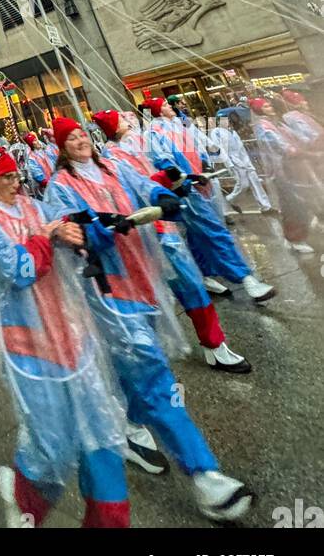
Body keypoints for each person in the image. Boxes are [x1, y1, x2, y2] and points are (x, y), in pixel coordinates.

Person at [44, 117, 254, 522]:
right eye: (70, 139)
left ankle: (128, 423)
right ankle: (205, 475)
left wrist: (163, 193)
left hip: (144, 285)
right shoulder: (60, 187)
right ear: (61, 148)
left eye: (82, 135)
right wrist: (102, 229)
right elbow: (72, 236)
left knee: (135, 371)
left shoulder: (113, 167)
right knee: (157, 380)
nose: (80, 142)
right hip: (110, 296)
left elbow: (144, 185)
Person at [0, 137, 130, 528]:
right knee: (51, 447)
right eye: (5, 177)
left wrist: (84, 229)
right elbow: (19, 271)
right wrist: (47, 237)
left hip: (74, 341)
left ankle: (110, 520)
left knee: (102, 435)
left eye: (15, 174)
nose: (15, 182)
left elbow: (68, 221)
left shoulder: (33, 206)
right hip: (30, 351)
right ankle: (24, 502)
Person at [92, 110, 249, 374]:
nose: (129, 121)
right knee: (153, 299)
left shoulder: (136, 146)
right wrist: (169, 182)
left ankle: (214, 345)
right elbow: (139, 186)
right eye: (122, 120)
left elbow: (152, 178)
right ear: (115, 129)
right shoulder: (113, 157)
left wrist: (180, 179)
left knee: (191, 286)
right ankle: (148, 364)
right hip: (145, 234)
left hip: (164, 225)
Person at [143, 97, 274, 302]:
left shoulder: (177, 125)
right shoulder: (153, 133)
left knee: (197, 235)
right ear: (157, 110)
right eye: (166, 105)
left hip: (200, 185)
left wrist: (204, 164)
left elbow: (195, 147)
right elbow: (163, 161)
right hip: (186, 190)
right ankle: (245, 277)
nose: (171, 107)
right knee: (216, 231)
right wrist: (183, 179)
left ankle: (203, 274)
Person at [247, 97, 317, 255]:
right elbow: (280, 146)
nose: (270, 107)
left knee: (301, 202)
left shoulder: (274, 122)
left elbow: (294, 138)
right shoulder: (263, 127)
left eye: (269, 104)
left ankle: (296, 234)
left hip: (292, 169)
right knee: (293, 206)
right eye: (265, 106)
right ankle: (295, 239)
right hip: (282, 172)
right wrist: (301, 151)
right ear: (259, 110)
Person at [206, 109, 272, 214]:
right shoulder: (216, 132)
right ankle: (231, 199)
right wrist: (229, 163)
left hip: (243, 160)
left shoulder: (233, 131)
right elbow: (220, 150)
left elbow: (241, 148)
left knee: (255, 182)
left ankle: (265, 206)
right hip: (233, 161)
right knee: (243, 184)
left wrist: (247, 162)